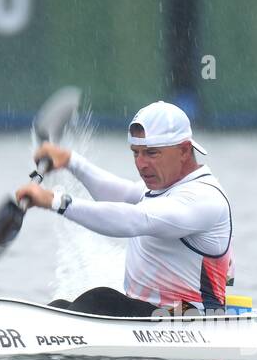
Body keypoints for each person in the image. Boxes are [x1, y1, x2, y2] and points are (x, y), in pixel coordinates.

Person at [13, 100, 232, 317]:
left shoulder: (204, 198)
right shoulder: (166, 188)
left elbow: (134, 219)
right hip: (152, 315)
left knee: (100, 299)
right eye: (136, 152)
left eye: (151, 153)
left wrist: (54, 201)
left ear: (184, 150)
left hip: (195, 318)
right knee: (62, 305)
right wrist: (71, 161)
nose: (141, 164)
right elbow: (120, 194)